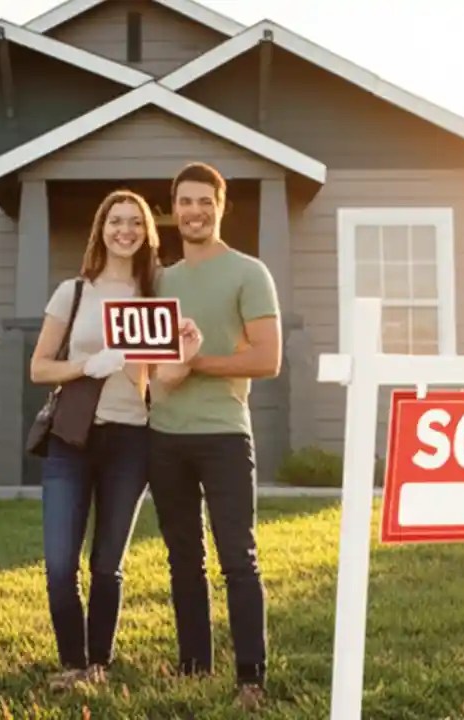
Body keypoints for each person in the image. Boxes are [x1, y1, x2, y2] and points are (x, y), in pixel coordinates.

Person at [148, 162, 282, 711]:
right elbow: (145, 358)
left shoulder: (250, 272)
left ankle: (250, 678)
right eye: (185, 202)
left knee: (237, 558)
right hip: (164, 435)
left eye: (205, 201)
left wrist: (194, 360)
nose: (195, 211)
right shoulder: (159, 280)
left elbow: (267, 358)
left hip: (225, 434)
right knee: (183, 558)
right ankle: (193, 665)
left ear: (221, 206)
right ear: (173, 209)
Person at [29, 189, 161, 690]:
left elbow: (164, 379)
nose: (124, 230)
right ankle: (72, 663)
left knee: (107, 563)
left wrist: (170, 352)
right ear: (101, 229)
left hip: (132, 441)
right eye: (115, 221)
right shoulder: (74, 292)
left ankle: (97, 666)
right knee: (61, 564)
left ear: (147, 233)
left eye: (135, 222)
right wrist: (89, 364)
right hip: (72, 439)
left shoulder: (155, 297)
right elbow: (40, 367)